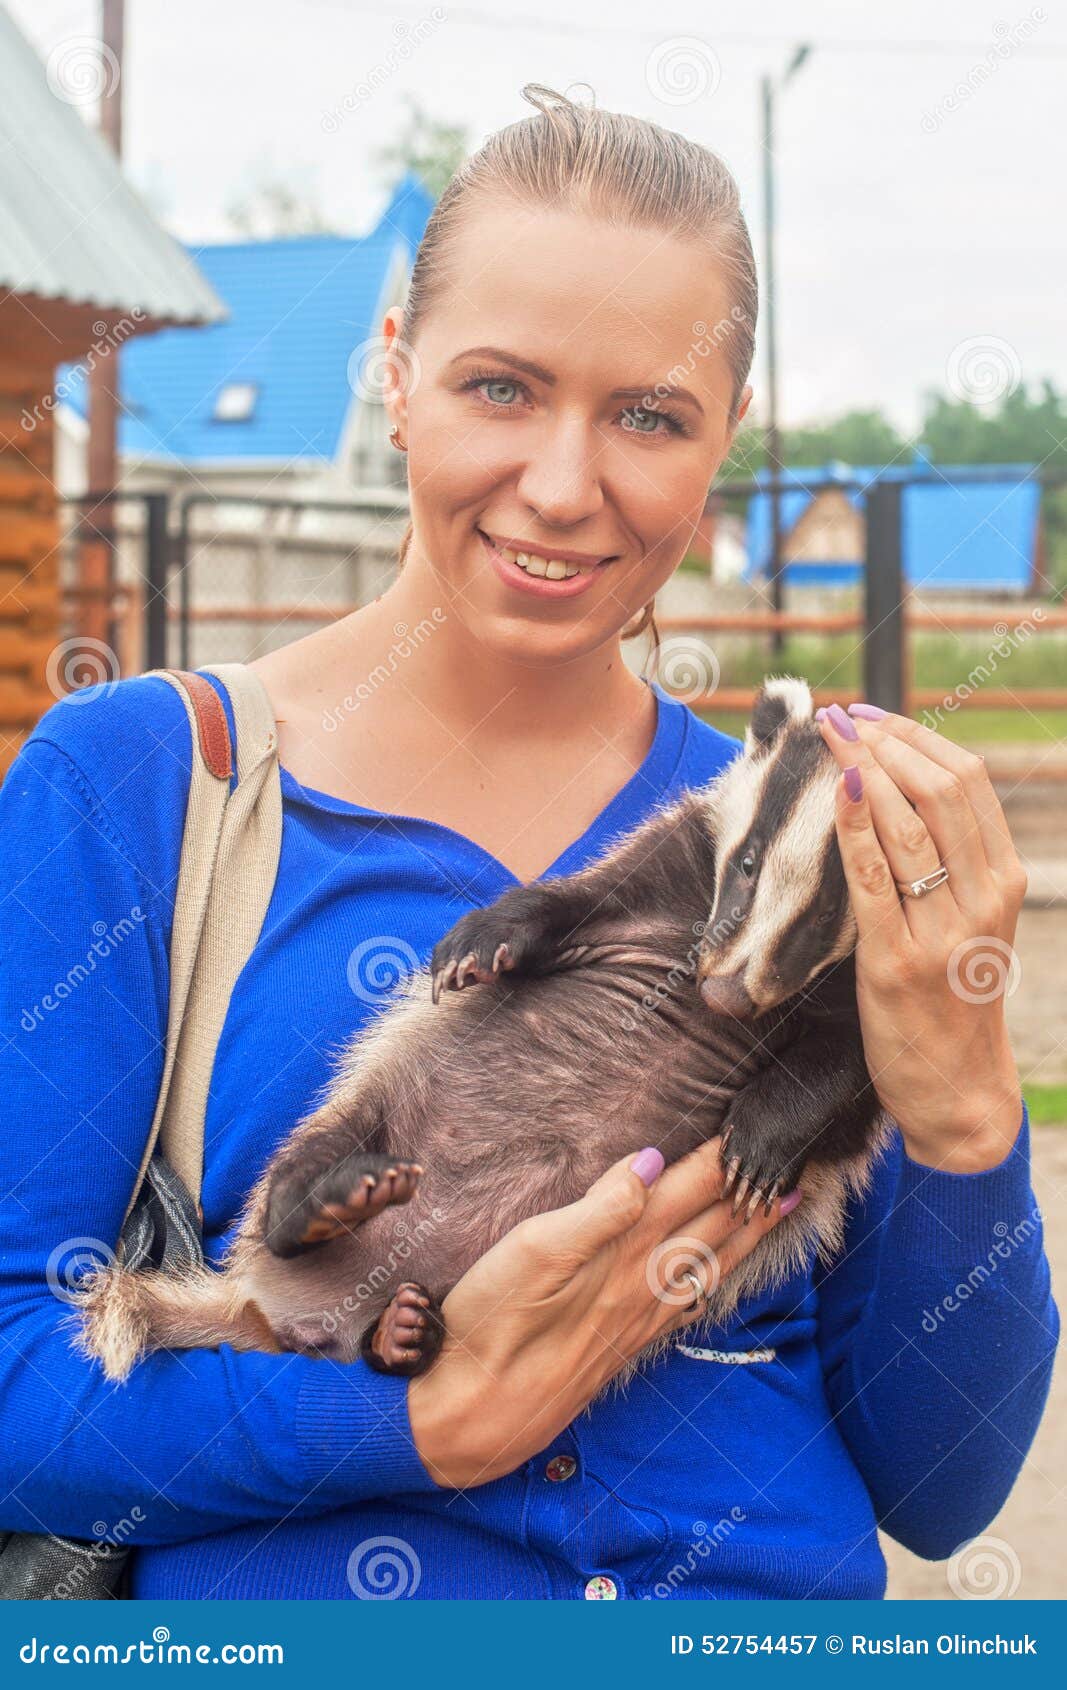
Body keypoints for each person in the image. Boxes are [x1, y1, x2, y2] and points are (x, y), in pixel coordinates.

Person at [0, 85, 1055, 1602]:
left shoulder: (822, 836)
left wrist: (958, 1104)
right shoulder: (146, 784)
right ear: (397, 372)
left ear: (727, 437)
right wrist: (418, 1419)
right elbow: (17, 1377)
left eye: (649, 415)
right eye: (501, 388)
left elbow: (945, 1487)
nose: (565, 486)